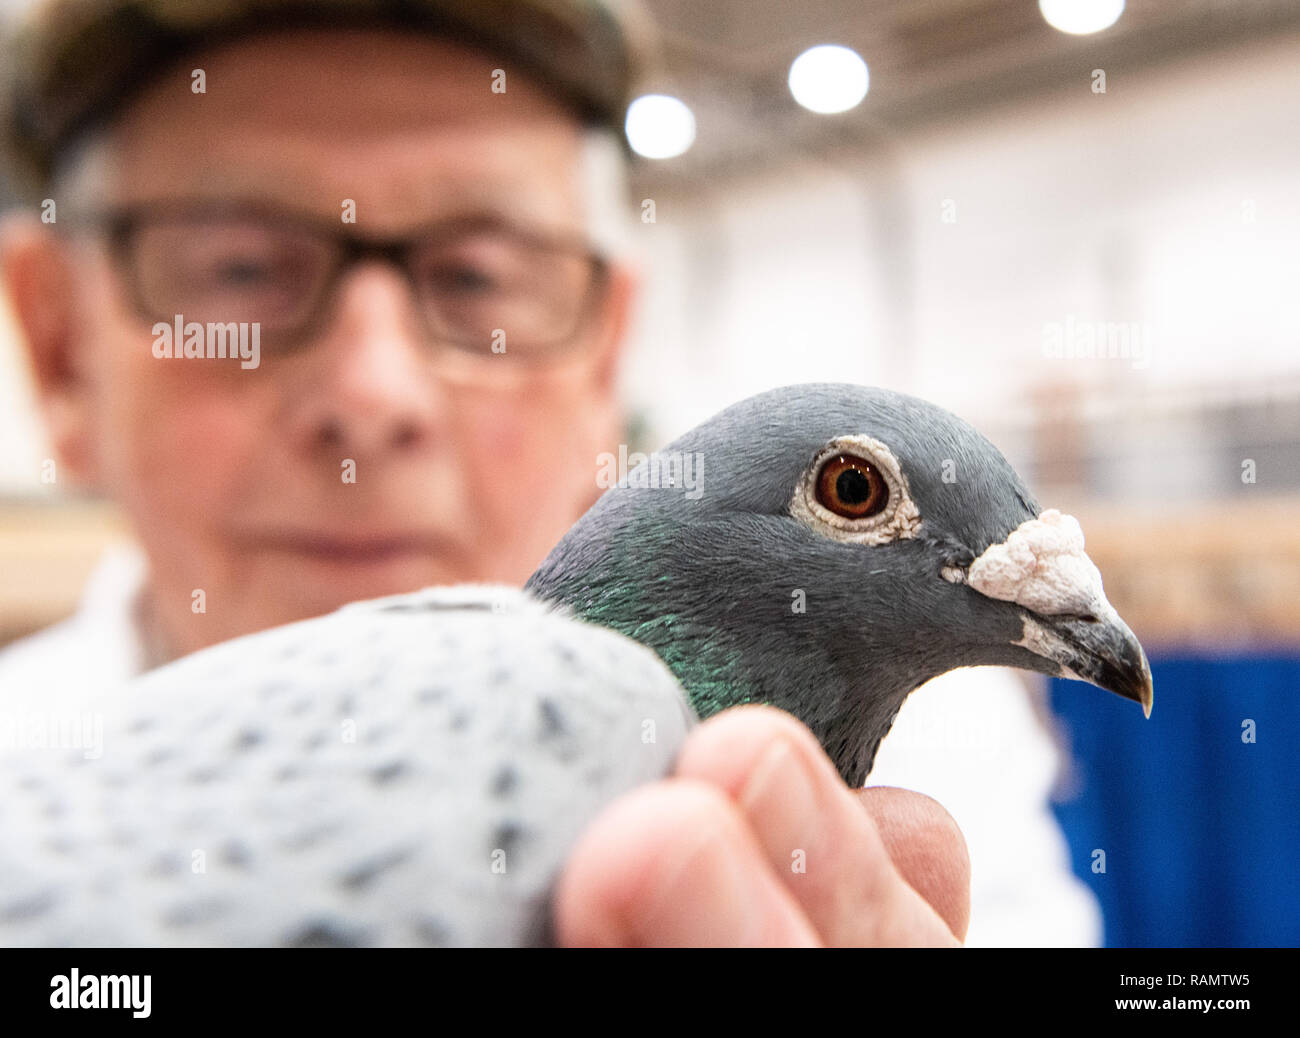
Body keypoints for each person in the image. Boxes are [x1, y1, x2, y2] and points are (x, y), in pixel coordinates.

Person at [0, 0, 1094, 946]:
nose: (374, 395)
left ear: (604, 364)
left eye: (477, 277)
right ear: (55, 348)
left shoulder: (941, 768)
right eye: (240, 268)